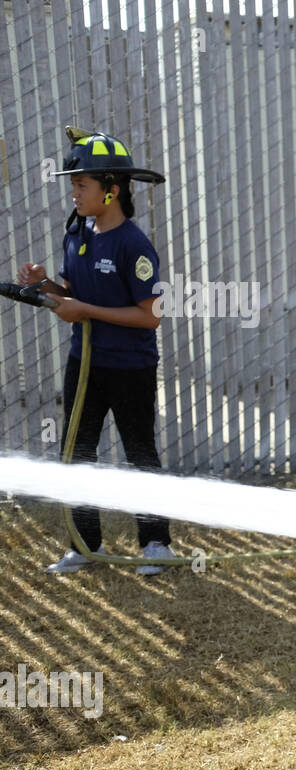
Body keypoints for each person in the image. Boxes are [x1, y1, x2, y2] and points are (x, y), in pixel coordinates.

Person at [17, 126, 177, 574]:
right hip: (84, 365)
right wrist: (44, 285)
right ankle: (83, 546)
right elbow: (74, 292)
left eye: (81, 184)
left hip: (130, 368)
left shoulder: (134, 245)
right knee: (77, 452)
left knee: (139, 453)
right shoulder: (77, 233)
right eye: (73, 184)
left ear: (111, 190)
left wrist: (83, 308)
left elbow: (150, 315)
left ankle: (156, 544)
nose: (74, 192)